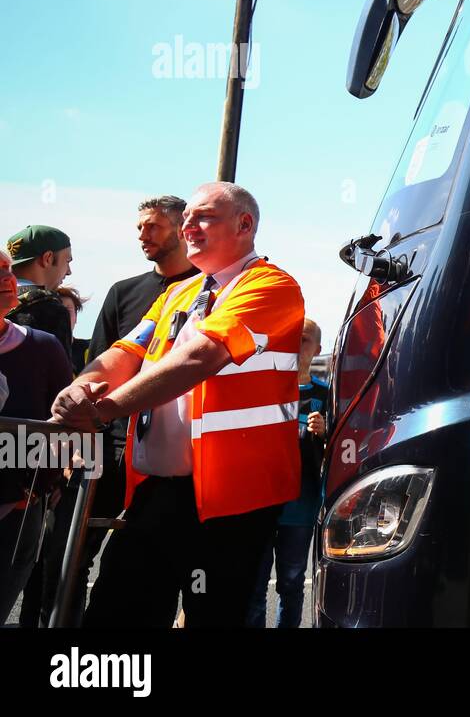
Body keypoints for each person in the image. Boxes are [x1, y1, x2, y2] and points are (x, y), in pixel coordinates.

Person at [50, 182, 305, 628]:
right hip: (161, 492)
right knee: (116, 614)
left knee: (211, 618)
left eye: (204, 216)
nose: (189, 225)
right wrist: (82, 386)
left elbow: (201, 356)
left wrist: (102, 410)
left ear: (245, 224)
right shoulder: (176, 295)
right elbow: (127, 351)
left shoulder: (273, 287)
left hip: (233, 503)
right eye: (187, 217)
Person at [31, 197, 199, 628]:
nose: (141, 235)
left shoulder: (209, 290)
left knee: (159, 568)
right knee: (66, 556)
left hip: (172, 461)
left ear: (182, 229)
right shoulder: (124, 292)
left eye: (153, 227)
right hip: (104, 447)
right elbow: (99, 363)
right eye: (140, 227)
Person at [0, 246, 74, 622]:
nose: (7, 280)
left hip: (19, 503)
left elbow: (62, 421)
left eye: (7, 271)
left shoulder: (43, 347)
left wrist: (45, 482)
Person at [247, 318, 329, 627]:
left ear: (317, 349)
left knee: (292, 583)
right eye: (293, 338)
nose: (297, 345)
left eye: (305, 340)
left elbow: (340, 447)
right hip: (262, 503)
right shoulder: (266, 387)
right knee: (254, 585)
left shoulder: (326, 394)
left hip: (301, 505)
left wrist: (325, 432)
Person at [4, 225, 74, 359]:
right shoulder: (50, 309)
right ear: (47, 258)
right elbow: (58, 376)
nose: (69, 271)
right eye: (67, 261)